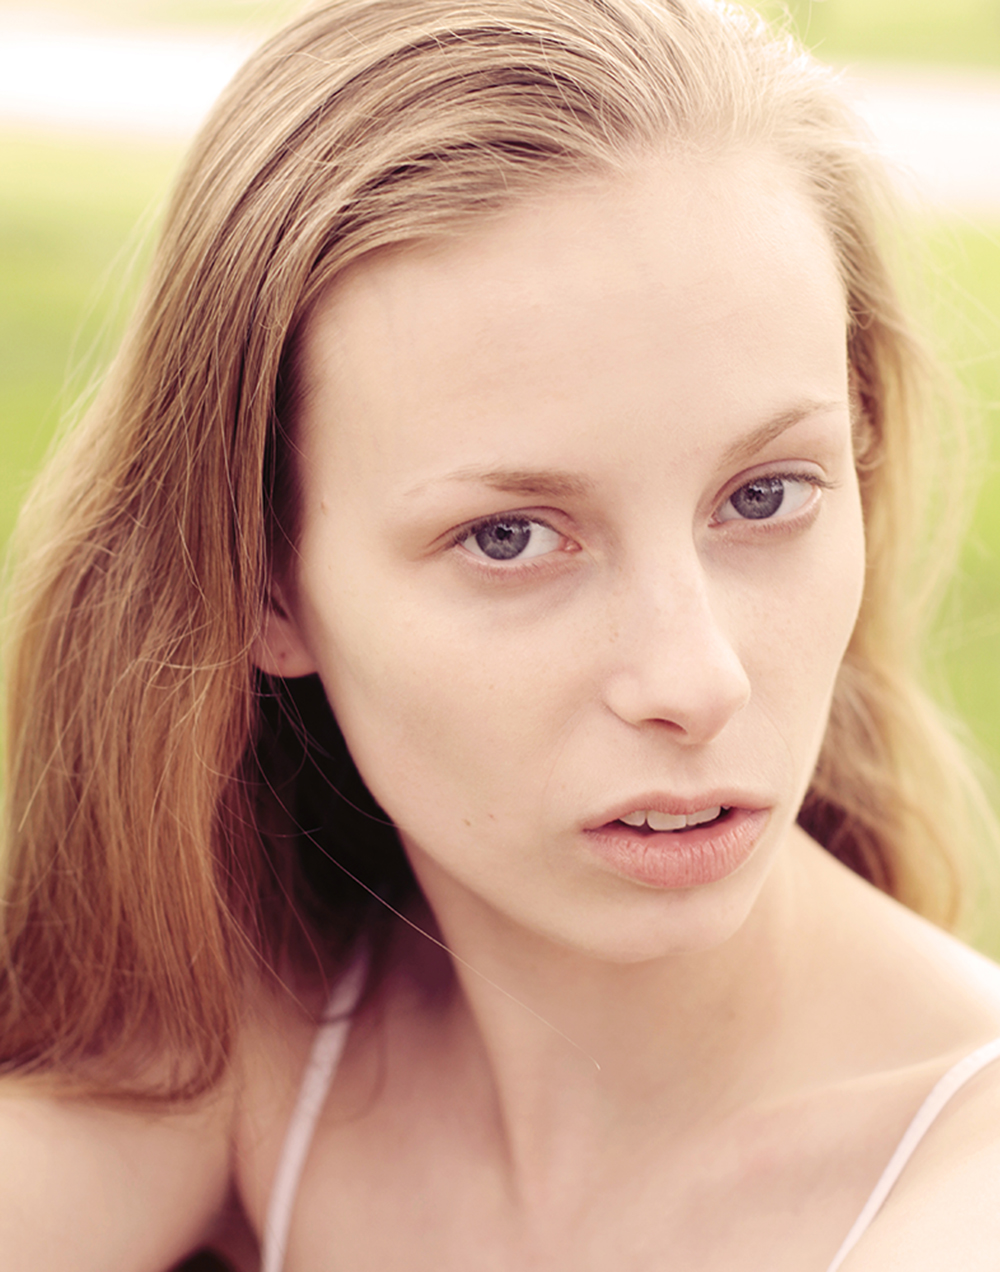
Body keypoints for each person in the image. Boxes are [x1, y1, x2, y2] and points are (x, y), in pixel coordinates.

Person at [2, 0, 999, 1267]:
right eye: (512, 538)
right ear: (263, 585)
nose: (695, 679)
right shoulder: (254, 1033)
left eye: (762, 497)